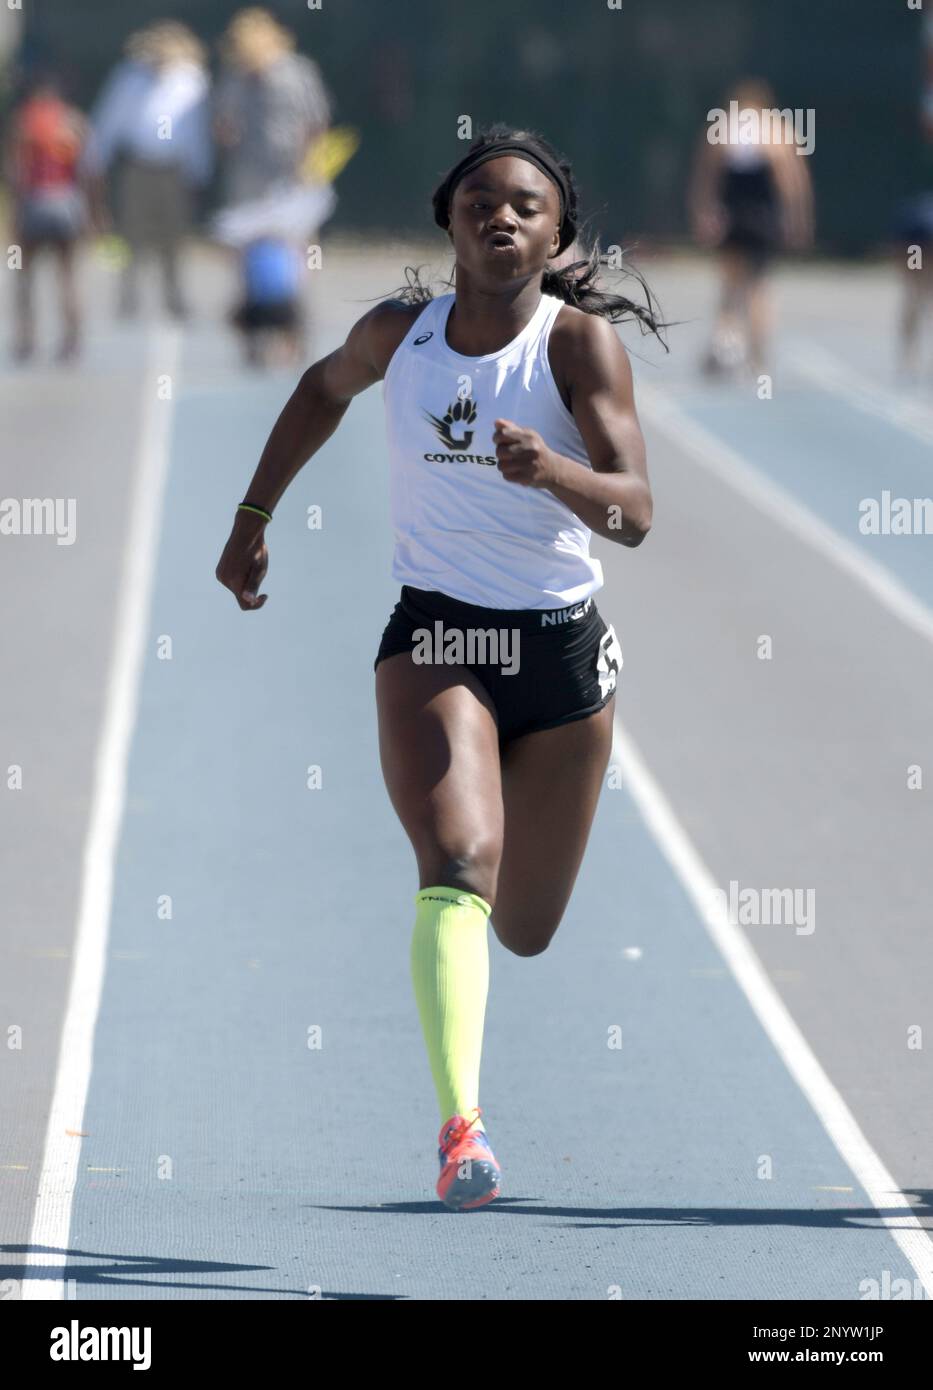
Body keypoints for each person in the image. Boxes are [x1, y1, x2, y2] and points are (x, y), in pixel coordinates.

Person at [215, 123, 666, 1211]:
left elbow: (638, 513)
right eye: (482, 201)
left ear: (555, 233)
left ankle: (482, 964)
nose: (501, 215)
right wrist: (253, 514)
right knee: (460, 858)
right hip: (438, 637)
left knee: (525, 926)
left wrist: (553, 469)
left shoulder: (573, 348)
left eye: (526, 205)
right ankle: (462, 1130)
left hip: (560, 660)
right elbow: (321, 391)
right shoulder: (397, 336)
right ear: (449, 222)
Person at [213, 7, 333, 363]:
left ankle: (295, 332)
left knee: (298, 254)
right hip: (248, 179)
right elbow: (222, 125)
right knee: (244, 255)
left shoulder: (298, 73)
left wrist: (311, 168)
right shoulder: (235, 76)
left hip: (293, 177)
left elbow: (318, 122)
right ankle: (252, 335)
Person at [81, 21, 212, 319]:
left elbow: (196, 133)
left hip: (173, 169)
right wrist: (94, 161)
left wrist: (199, 172)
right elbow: (109, 121)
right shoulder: (129, 77)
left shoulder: (191, 81)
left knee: (174, 237)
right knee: (131, 235)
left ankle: (174, 296)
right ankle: (129, 297)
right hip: (138, 166)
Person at [689, 78, 813, 377]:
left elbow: (706, 175)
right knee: (759, 286)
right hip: (761, 215)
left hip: (732, 215)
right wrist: (798, 219)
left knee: (731, 284)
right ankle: (757, 356)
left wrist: (704, 214)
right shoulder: (775, 127)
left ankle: (725, 345)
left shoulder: (722, 126)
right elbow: (791, 178)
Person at [5, 74, 92, 362]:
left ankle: (26, 338)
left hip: (34, 204)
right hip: (66, 204)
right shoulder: (74, 122)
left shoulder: (25, 121)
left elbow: (15, 171)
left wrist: (15, 213)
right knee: (67, 275)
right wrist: (92, 213)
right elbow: (88, 171)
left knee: (24, 275)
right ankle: (72, 339)